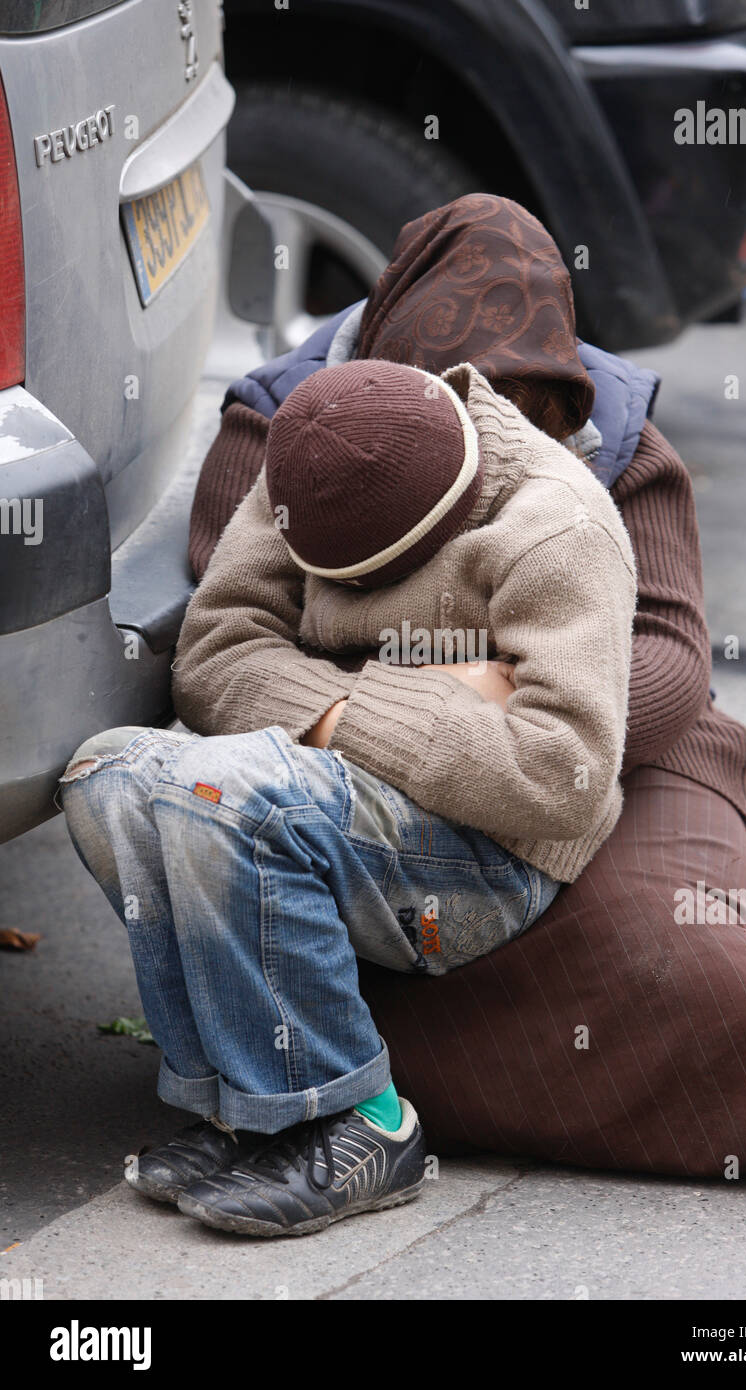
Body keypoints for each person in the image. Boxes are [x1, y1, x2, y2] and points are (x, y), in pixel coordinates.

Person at [180, 194, 746, 1175]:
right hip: (365, 779)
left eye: (515, 411)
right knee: (333, 975)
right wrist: (435, 706)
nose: (494, 435)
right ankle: (354, 1087)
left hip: (614, 761)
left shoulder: (609, 426)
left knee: (666, 959)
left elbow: (669, 661)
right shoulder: (286, 430)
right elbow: (231, 658)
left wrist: (533, 702)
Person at [60, 335, 637, 1236]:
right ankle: (243, 1110)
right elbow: (216, 659)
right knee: (110, 776)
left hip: (490, 848)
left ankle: (360, 1121)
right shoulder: (314, 463)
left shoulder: (556, 526)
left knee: (229, 796)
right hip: (345, 778)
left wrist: (317, 681)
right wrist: (424, 689)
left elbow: (554, 773)